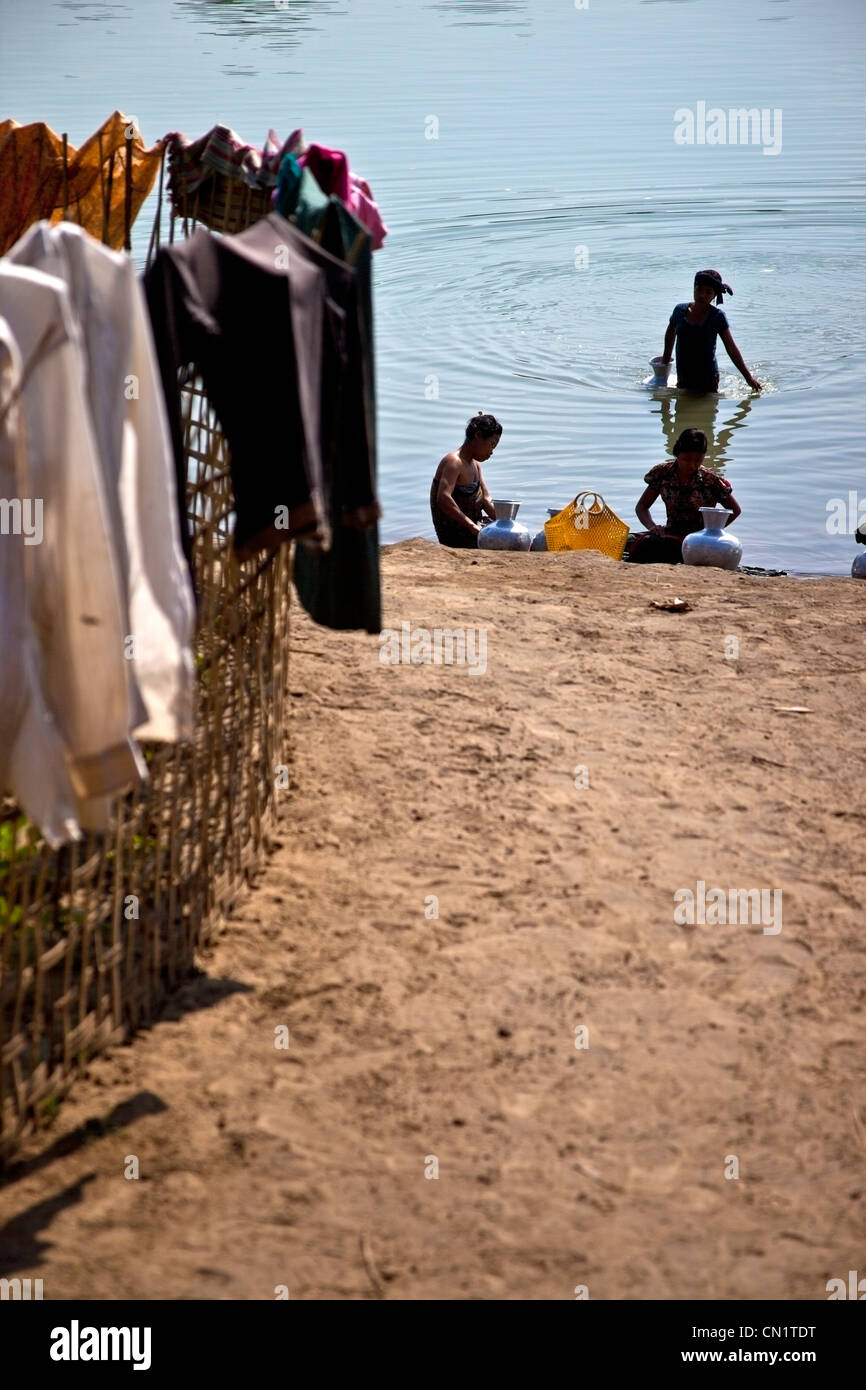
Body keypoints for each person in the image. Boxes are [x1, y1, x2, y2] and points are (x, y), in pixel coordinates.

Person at [627, 427, 741, 563]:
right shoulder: (662, 473)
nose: (692, 465)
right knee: (626, 539)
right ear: (677, 454)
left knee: (647, 544)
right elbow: (642, 506)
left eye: (698, 460)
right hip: (669, 534)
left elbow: (735, 510)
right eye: (687, 459)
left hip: (697, 543)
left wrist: (712, 532)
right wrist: (653, 527)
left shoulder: (711, 480)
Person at [660, 269, 762, 394]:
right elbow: (670, 337)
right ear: (694, 288)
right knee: (681, 411)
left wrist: (748, 378)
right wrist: (663, 367)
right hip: (684, 376)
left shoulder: (717, 317)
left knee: (706, 410)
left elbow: (731, 348)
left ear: (714, 295)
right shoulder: (679, 311)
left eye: (708, 292)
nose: (702, 295)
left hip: (708, 379)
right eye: (699, 289)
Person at [430, 411, 500, 548]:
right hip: (456, 535)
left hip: (475, 527)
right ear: (478, 436)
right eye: (492, 444)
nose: (492, 451)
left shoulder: (475, 465)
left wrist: (504, 521)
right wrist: (471, 525)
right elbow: (443, 498)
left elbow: (486, 499)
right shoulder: (454, 462)